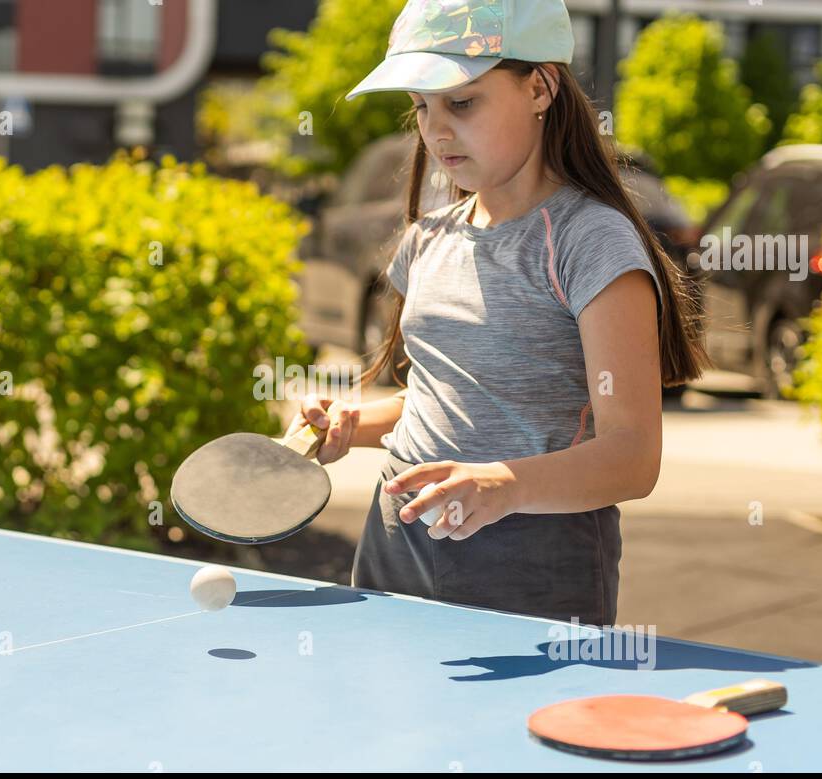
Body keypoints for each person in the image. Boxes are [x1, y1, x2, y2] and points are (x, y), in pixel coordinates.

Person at [285, 0, 710, 626]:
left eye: (461, 102)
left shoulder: (591, 241)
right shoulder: (428, 238)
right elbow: (458, 397)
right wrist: (353, 420)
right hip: (394, 541)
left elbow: (634, 456)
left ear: (540, 87)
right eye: (422, 106)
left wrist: (505, 485)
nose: (436, 130)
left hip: (531, 561)